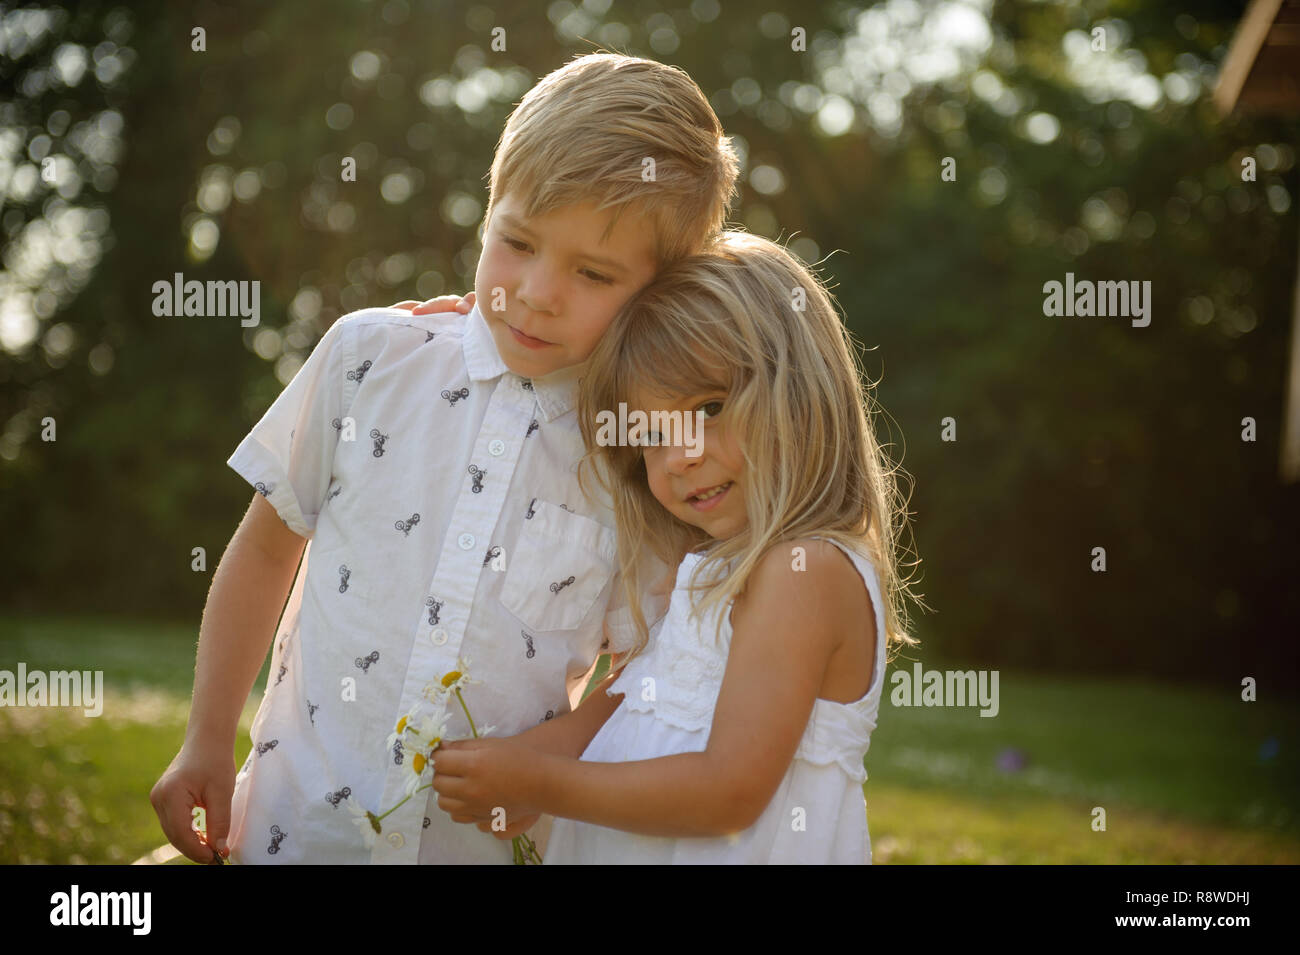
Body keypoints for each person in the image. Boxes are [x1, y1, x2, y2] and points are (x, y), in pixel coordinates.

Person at [149, 52, 739, 864]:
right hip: (294, 830)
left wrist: (550, 762)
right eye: (517, 241)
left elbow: (651, 663)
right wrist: (206, 738)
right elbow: (263, 547)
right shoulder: (369, 358)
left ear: (660, 292)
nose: (535, 291)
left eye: (592, 273)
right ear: (486, 213)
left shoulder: (641, 458)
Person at [430, 231, 924, 863]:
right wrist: (508, 766)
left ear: (802, 388)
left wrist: (542, 784)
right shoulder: (713, 572)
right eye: (654, 436)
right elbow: (610, 710)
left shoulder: (805, 569)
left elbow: (728, 793)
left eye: (710, 406)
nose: (681, 457)